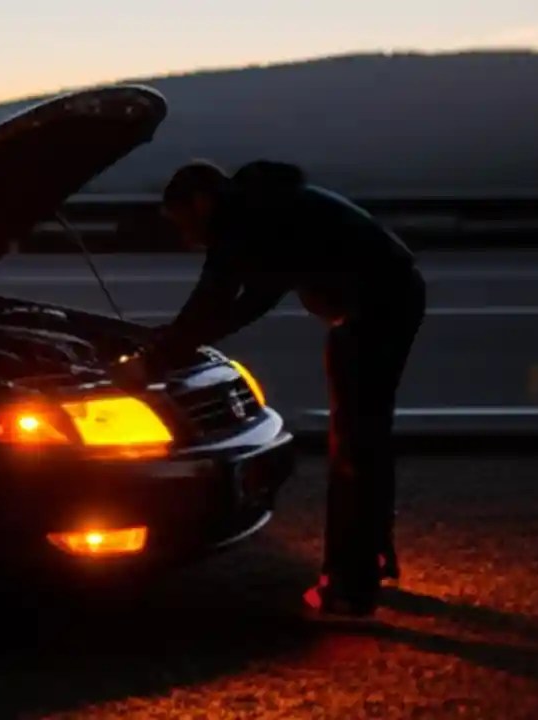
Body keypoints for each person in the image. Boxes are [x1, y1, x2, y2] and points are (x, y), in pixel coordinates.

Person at [118, 160, 426, 616]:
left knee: (354, 445)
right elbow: (240, 301)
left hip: (373, 311)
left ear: (201, 202)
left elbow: (221, 297)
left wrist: (161, 357)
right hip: (393, 296)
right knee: (368, 437)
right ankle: (372, 557)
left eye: (183, 222)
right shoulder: (264, 206)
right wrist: (178, 339)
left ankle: (349, 585)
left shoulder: (243, 221)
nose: (187, 237)